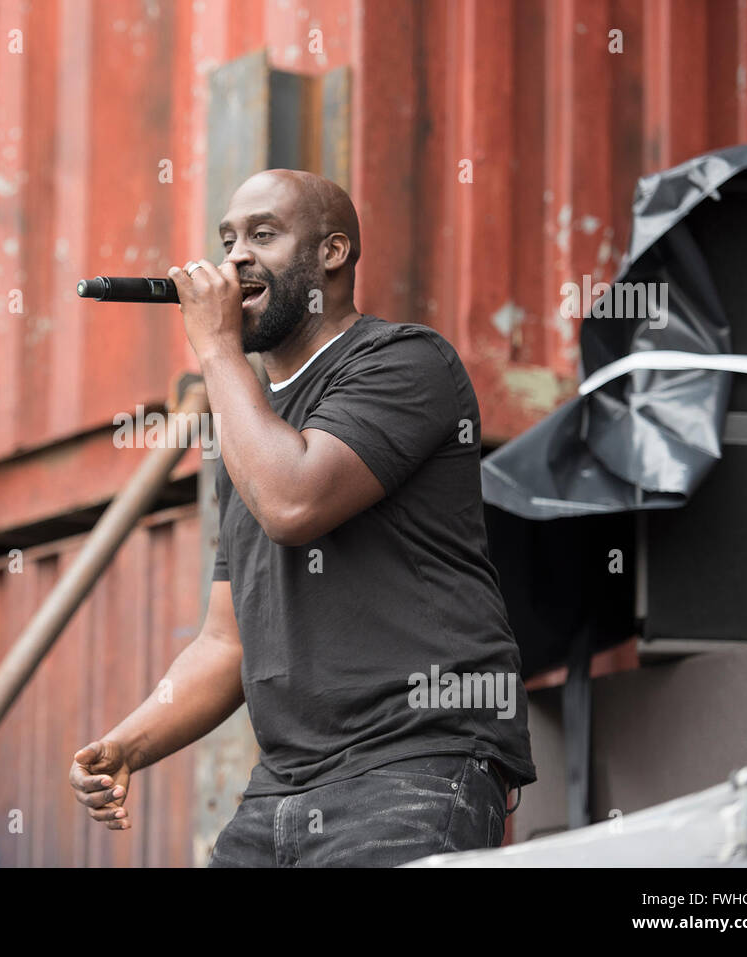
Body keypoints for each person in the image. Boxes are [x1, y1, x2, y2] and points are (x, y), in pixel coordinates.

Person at [68, 168, 535, 867]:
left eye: (263, 235)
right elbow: (226, 644)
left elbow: (295, 503)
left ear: (333, 254)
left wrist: (217, 349)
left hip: (412, 761)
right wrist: (127, 745)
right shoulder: (250, 429)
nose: (234, 259)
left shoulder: (404, 362)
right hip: (284, 784)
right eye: (227, 241)